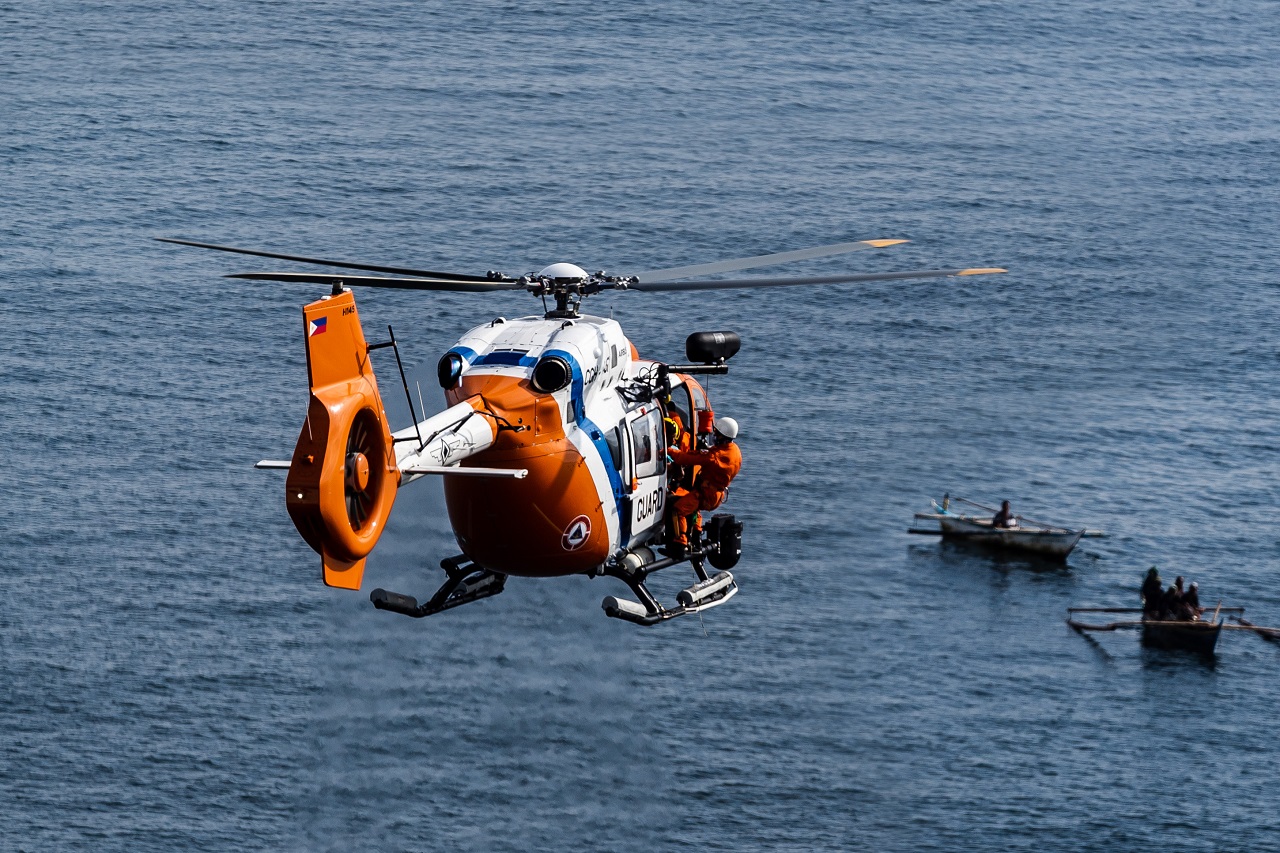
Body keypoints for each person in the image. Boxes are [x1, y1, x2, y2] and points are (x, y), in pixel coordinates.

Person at [665, 416, 742, 556]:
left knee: (678, 509)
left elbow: (687, 459)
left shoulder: (715, 456)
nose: (714, 436)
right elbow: (710, 456)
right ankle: (696, 539)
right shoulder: (734, 451)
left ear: (722, 436)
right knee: (694, 508)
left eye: (716, 433)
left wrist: (670, 451)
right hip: (716, 495)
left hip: (707, 493)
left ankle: (680, 543)